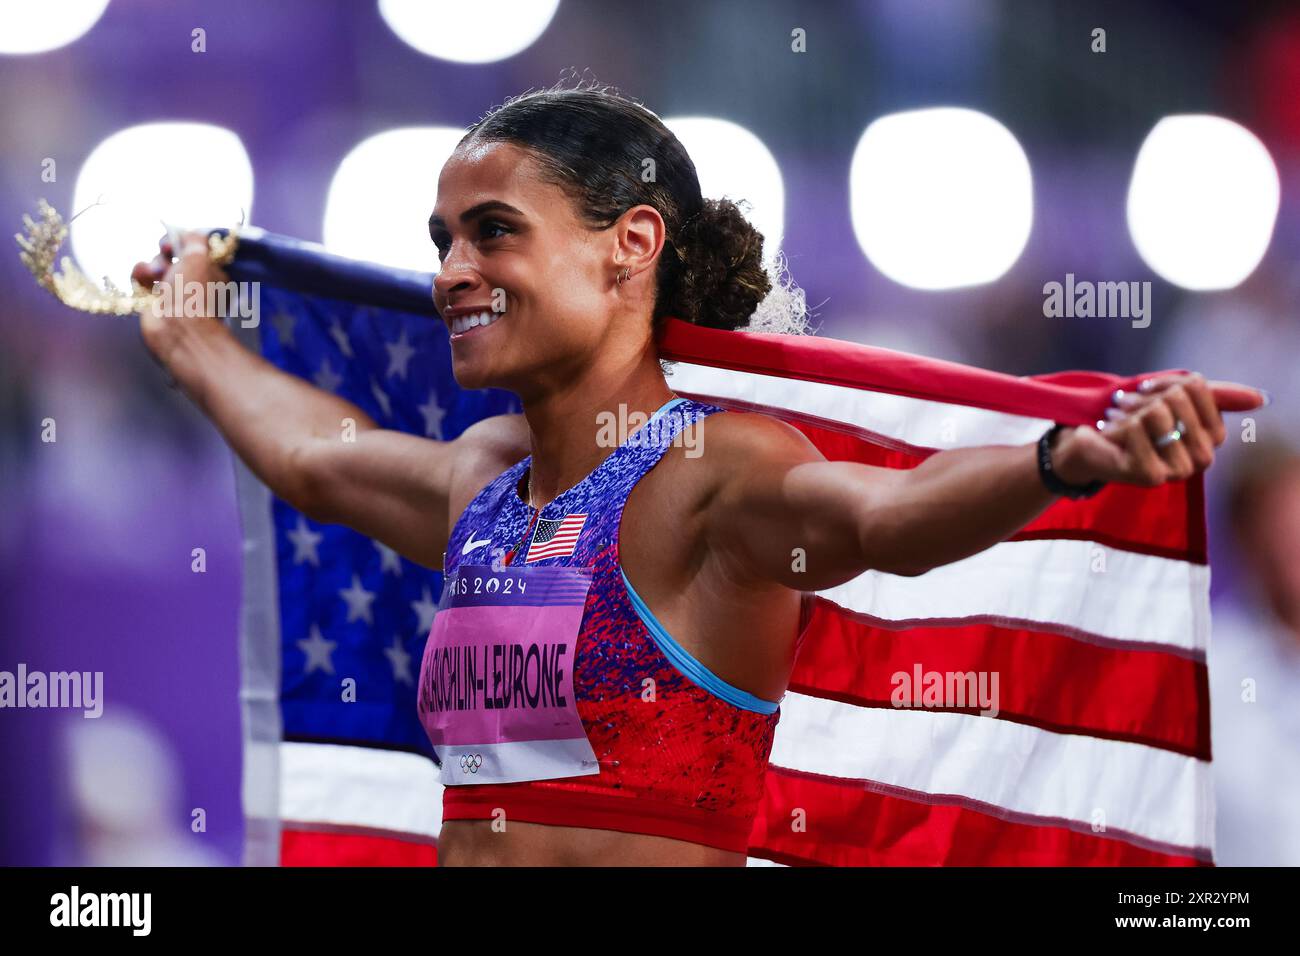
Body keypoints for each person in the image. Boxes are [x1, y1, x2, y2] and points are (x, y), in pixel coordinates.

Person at [131, 84, 1264, 867]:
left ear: (629, 242)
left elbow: (890, 517)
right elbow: (317, 463)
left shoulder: (709, 475)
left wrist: (1059, 461)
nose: (451, 272)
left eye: (491, 233)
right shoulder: (483, 483)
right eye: (441, 242)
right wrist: (195, 342)